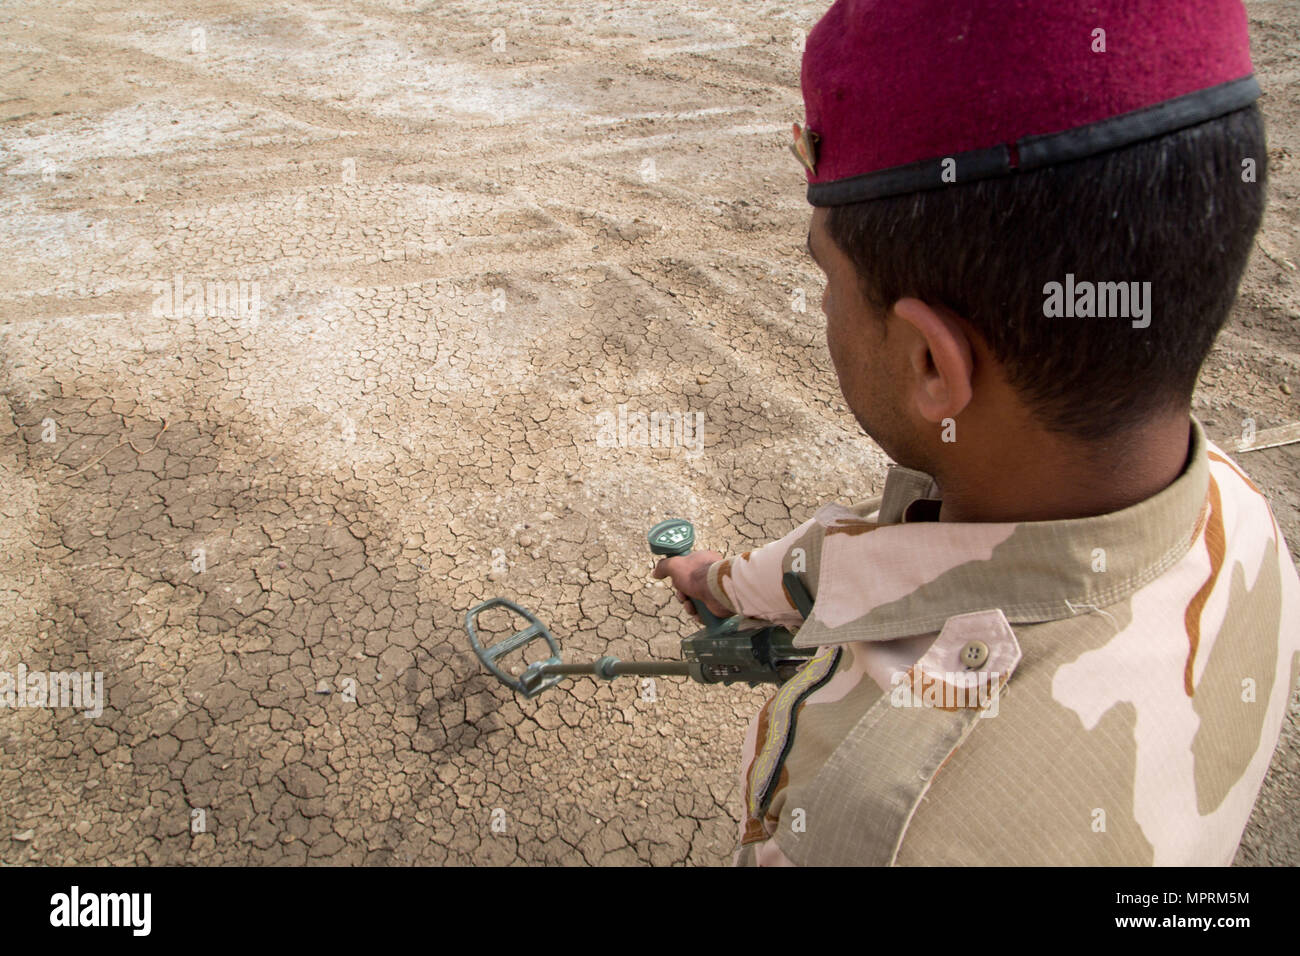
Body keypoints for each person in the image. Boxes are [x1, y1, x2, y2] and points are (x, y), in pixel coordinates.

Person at [653, 0, 1300, 865]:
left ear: (931, 362)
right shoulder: (1238, 513)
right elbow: (860, 557)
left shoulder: (880, 830)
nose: (821, 305)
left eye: (827, 275)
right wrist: (719, 579)